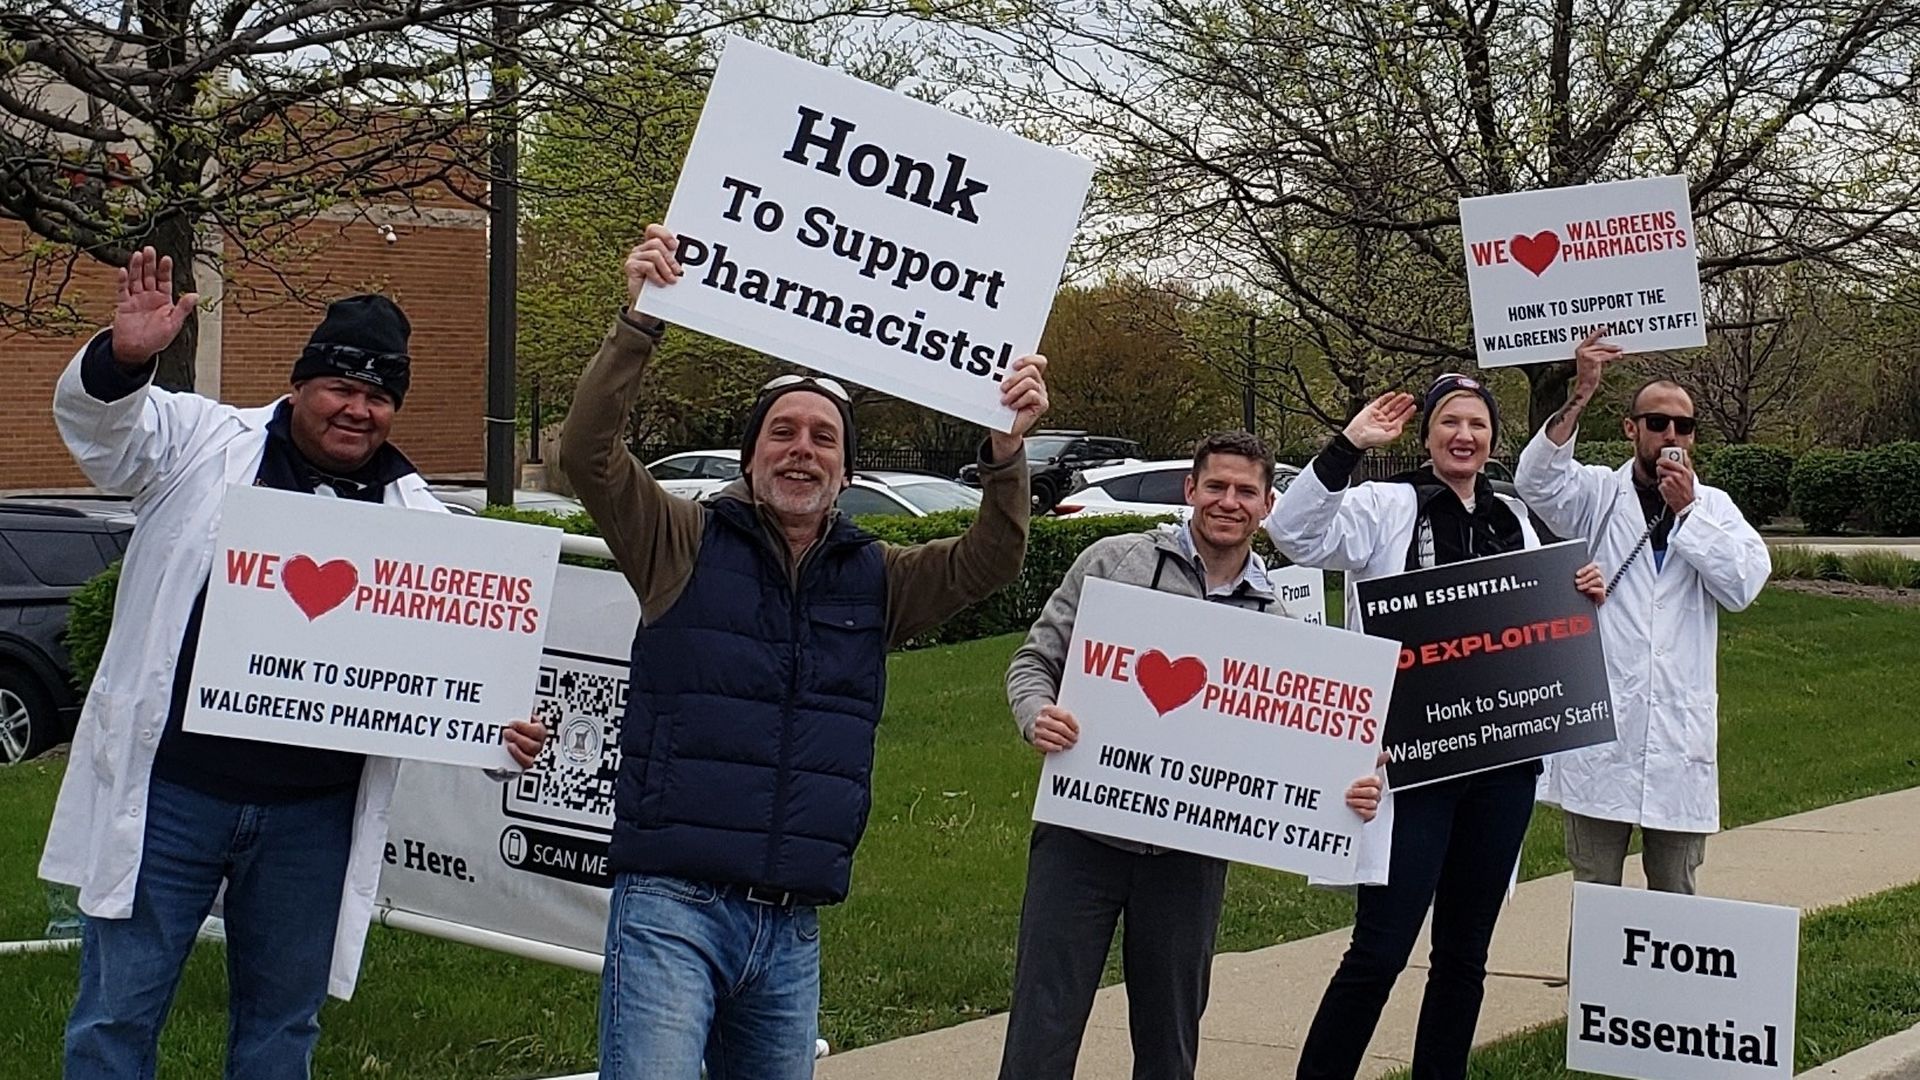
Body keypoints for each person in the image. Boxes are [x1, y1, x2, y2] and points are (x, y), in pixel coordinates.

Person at [43, 248, 550, 1080]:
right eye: (342, 388)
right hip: (174, 792)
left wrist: (503, 732)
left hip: (312, 820)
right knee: (116, 1014)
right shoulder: (203, 442)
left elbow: (448, 677)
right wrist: (125, 357)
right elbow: (109, 439)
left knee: (282, 1029)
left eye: (379, 396)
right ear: (299, 386)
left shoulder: (422, 525)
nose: (358, 409)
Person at [561, 223, 1047, 1080]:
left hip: (790, 926)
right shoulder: (680, 540)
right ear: (749, 459)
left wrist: (1006, 452)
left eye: (823, 438)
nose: (801, 450)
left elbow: (990, 560)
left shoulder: (877, 578)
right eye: (781, 433)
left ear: (847, 472)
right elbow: (589, 455)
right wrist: (636, 323)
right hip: (671, 907)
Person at [998, 430, 1384, 1080]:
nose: (1228, 502)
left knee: (1170, 1043)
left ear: (1265, 506)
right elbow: (1034, 661)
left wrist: (1349, 785)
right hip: (1081, 839)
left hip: (1188, 857)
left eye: (1245, 491)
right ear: (1190, 491)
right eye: (1216, 487)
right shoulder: (1111, 562)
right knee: (1041, 1033)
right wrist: (1038, 715)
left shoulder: (1278, 624)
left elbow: (1305, 745)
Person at [1266, 374, 1607, 1080]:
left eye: (1478, 425)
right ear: (1426, 435)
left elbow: (1542, 624)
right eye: (1450, 422)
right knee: (1380, 950)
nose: (1464, 436)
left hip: (1500, 765)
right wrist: (1348, 446)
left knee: (1464, 955)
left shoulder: (1512, 517)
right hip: (1410, 767)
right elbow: (1293, 534)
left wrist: (1583, 595)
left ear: (1492, 439)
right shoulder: (1385, 506)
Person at [1515, 331, 1770, 894]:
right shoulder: (1599, 495)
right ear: (1632, 430)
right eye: (1657, 423)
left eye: (1683, 426)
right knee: (1596, 890)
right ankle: (1592, 989)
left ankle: (1666, 988)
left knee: (1675, 894)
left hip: (1680, 741)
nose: (1671, 435)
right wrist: (1581, 392)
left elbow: (1744, 584)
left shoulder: (1716, 508)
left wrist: (1688, 514)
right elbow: (1536, 481)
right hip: (1605, 734)